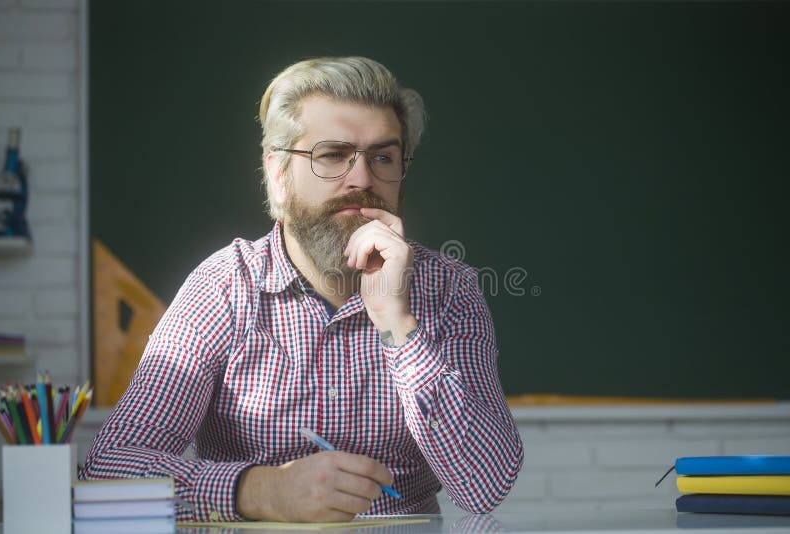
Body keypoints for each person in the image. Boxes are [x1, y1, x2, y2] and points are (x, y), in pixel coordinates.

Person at [81, 56, 524, 523]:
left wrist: (396, 323)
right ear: (278, 173)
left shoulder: (449, 288)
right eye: (332, 155)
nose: (362, 179)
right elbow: (108, 470)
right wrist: (261, 491)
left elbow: (486, 487)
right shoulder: (223, 287)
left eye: (382, 157)